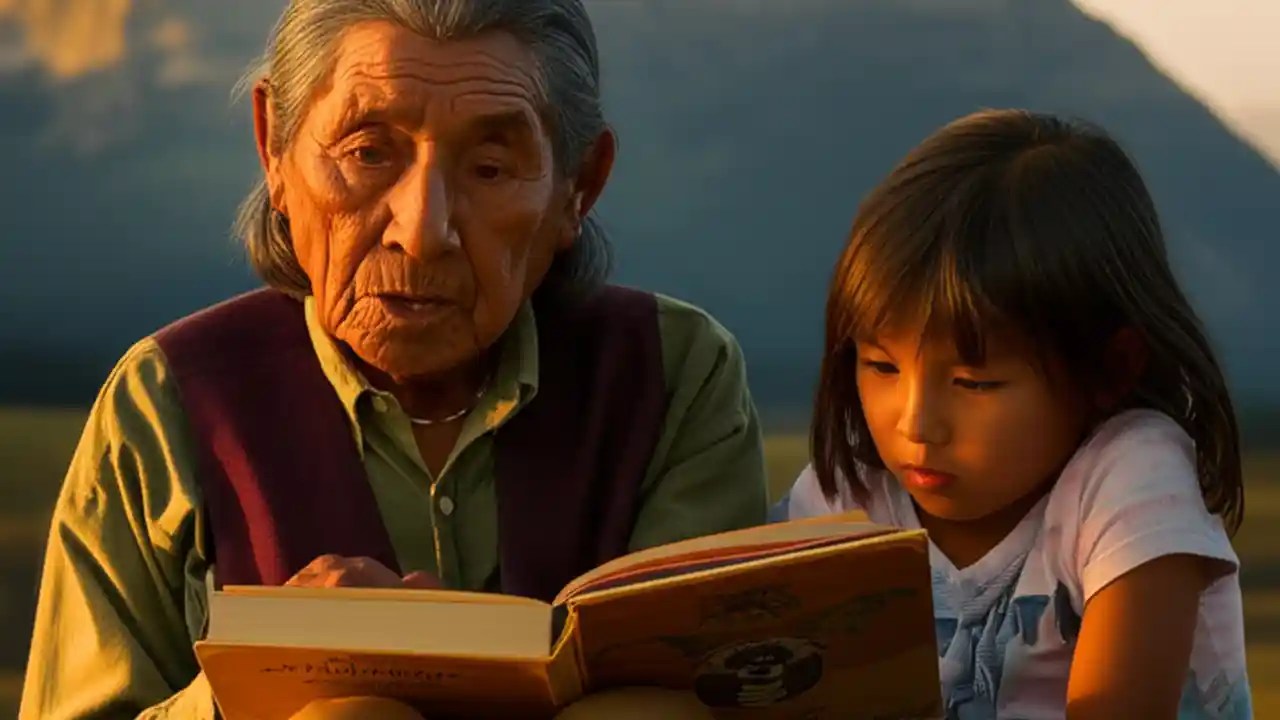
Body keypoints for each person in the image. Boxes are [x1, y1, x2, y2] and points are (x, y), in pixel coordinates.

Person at [18, 1, 766, 718]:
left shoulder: (669, 376)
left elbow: (722, 688)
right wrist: (259, 681)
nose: (423, 230)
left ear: (580, 187)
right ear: (274, 148)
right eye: (368, 153)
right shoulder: (169, 403)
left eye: (489, 168)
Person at [777, 109, 1251, 718]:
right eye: (881, 367)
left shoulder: (1132, 478)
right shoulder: (846, 496)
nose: (916, 425)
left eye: (975, 382)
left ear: (1109, 371)